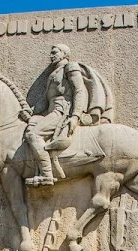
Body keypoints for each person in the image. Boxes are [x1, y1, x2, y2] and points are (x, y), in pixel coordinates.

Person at [20, 44, 113, 185]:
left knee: (33, 134)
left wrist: (75, 116)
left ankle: (46, 175)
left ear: (64, 54)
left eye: (55, 52)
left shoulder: (70, 67)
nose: (51, 56)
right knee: (30, 125)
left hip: (63, 112)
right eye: (51, 53)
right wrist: (31, 111)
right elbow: (45, 101)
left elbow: (79, 91)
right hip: (52, 111)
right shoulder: (53, 74)